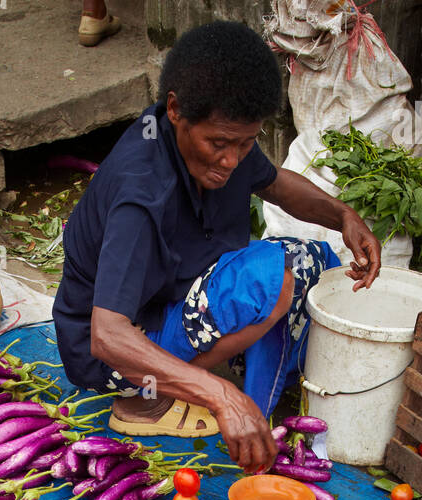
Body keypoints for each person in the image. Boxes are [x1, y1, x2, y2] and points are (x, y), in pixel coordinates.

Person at [53, 20, 381, 473]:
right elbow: (107, 336)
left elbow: (275, 183)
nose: (231, 160)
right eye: (219, 144)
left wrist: (343, 215)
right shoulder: (141, 191)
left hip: (174, 297)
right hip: (118, 355)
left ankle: (246, 396)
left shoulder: (227, 144)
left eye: (245, 144)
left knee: (315, 264)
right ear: (175, 111)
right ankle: (151, 401)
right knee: (268, 280)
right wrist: (219, 396)